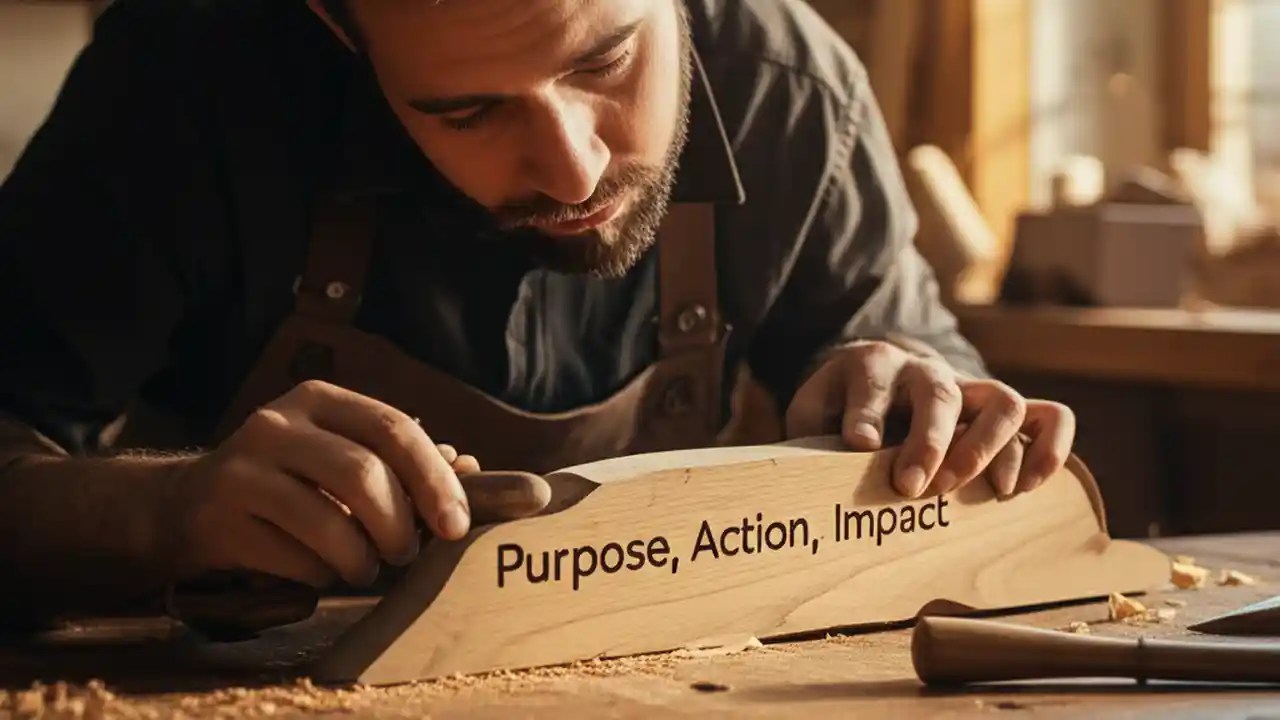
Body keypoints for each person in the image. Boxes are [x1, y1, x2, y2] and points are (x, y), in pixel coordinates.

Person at [0, 0, 1074, 621]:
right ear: (336, 23)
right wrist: (160, 514)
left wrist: (911, 391)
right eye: (467, 110)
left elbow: (921, 361)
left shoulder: (782, 87)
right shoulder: (183, 88)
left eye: (606, 60)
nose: (574, 172)